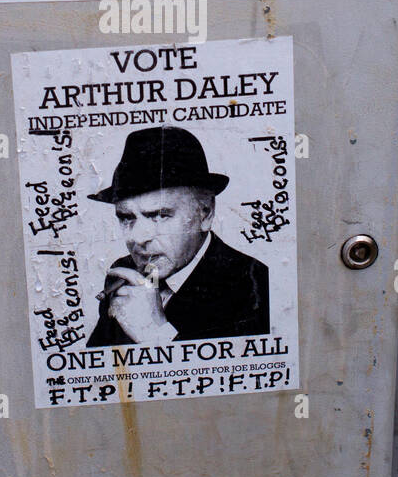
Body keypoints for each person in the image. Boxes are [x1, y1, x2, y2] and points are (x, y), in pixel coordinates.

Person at [86, 126, 269, 347]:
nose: (138, 238)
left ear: (205, 214)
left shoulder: (256, 285)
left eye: (160, 215)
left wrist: (154, 333)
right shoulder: (125, 274)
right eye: (126, 218)